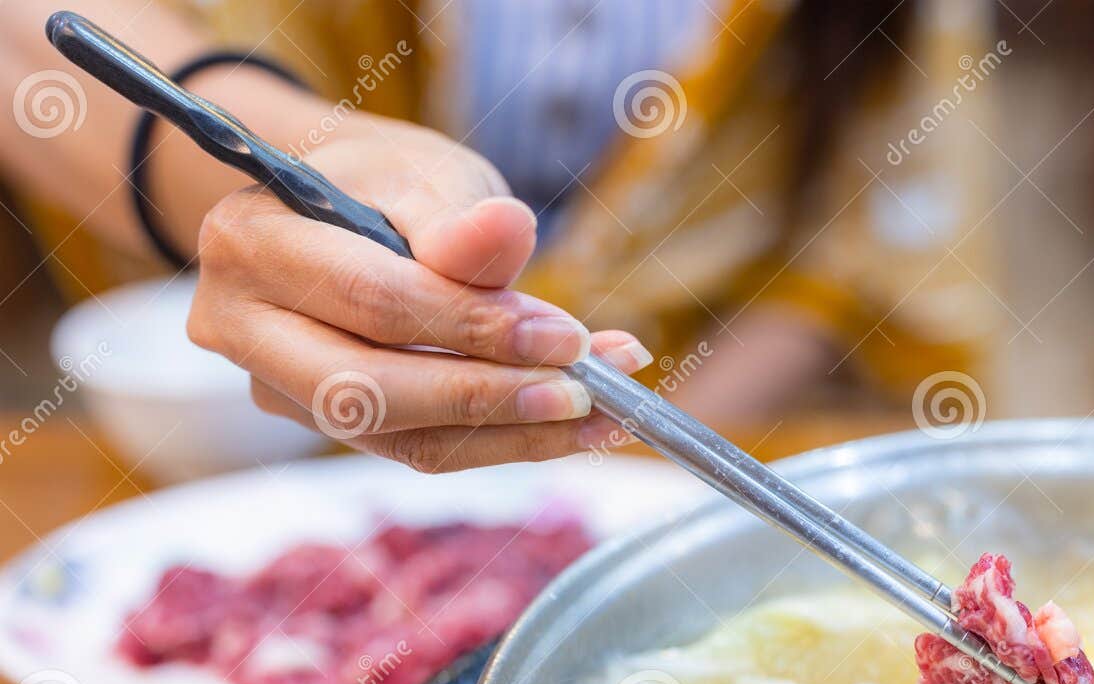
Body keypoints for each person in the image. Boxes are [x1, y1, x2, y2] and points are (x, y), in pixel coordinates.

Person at [0, 0, 998, 471]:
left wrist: (617, 456)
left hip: (709, 429)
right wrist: (302, 154)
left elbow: (864, 246)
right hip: (293, 449)